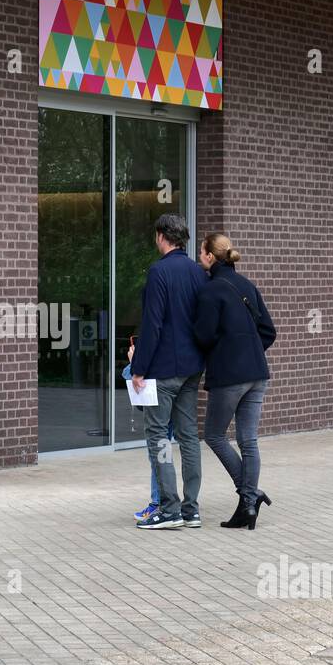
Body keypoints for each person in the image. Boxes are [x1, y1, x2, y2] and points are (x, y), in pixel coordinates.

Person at [130, 213, 208, 531]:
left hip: (163, 370)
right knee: (189, 437)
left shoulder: (159, 271)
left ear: (162, 236)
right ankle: (191, 509)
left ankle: (169, 508)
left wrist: (139, 367)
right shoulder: (199, 273)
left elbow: (153, 324)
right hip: (192, 368)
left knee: (158, 436)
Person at [193, 234, 277, 530]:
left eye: (201, 251)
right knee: (248, 440)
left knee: (214, 436)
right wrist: (249, 352)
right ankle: (248, 504)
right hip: (257, 373)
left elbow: (202, 336)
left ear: (210, 257)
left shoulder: (210, 291)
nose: (199, 255)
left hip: (230, 375)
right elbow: (268, 331)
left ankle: (249, 495)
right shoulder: (247, 286)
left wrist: (229, 353)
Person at [123, 342, 172, 521]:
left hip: (160, 410)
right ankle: (177, 503)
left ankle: (159, 502)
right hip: (174, 406)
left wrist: (134, 362)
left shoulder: (158, 355)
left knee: (158, 456)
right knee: (164, 453)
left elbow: (136, 380)